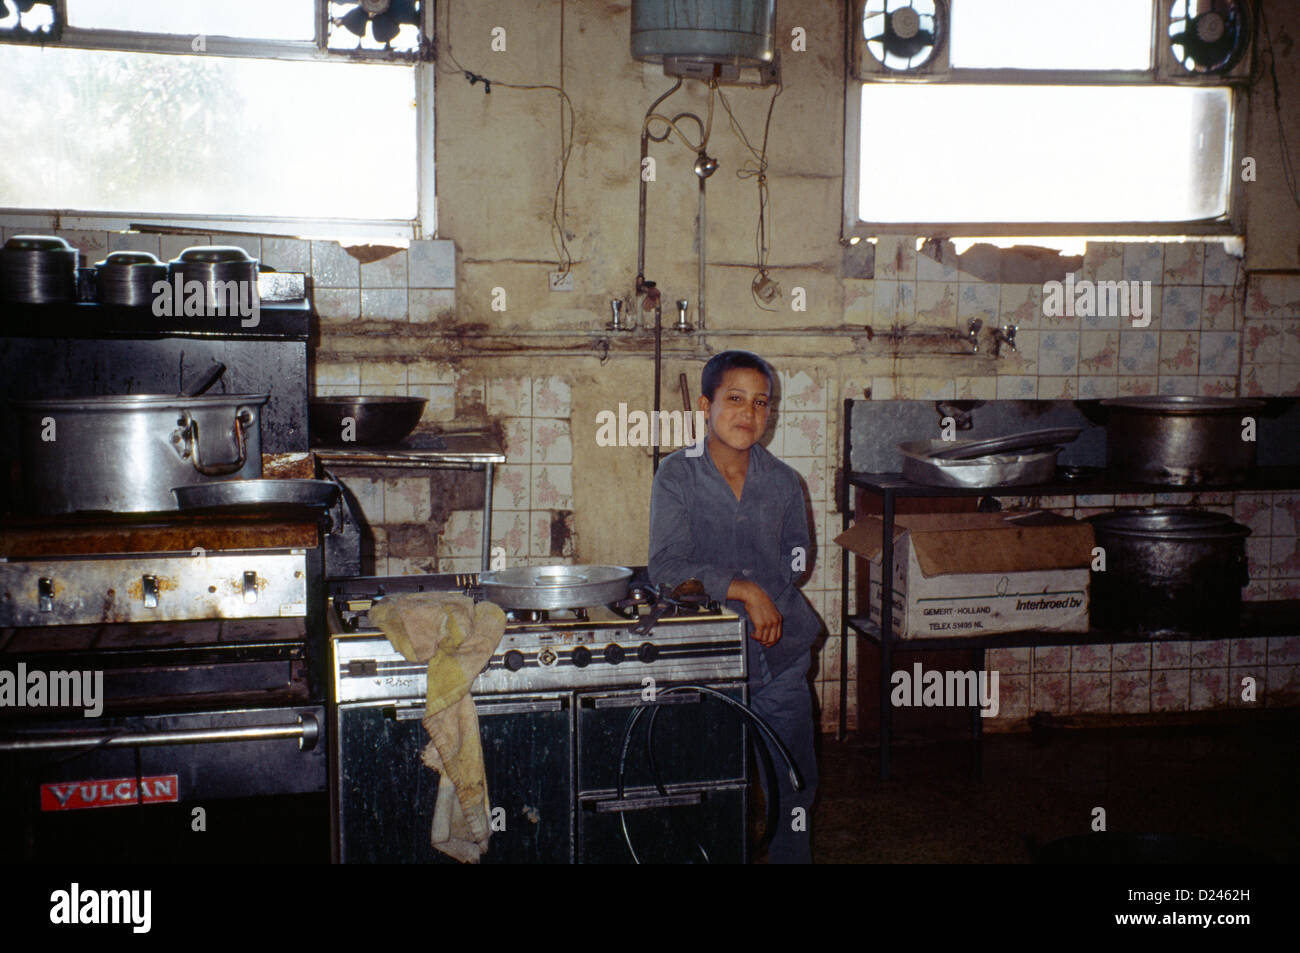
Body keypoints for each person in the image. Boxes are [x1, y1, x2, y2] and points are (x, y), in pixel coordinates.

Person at [648, 349, 822, 864]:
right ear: (706, 404)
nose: (748, 413)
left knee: (794, 786)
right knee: (713, 787)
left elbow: (799, 555)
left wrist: (770, 585)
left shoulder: (785, 481)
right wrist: (744, 590)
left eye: (760, 402)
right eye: (735, 399)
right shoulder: (676, 475)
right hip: (707, 655)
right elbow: (667, 566)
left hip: (781, 654)